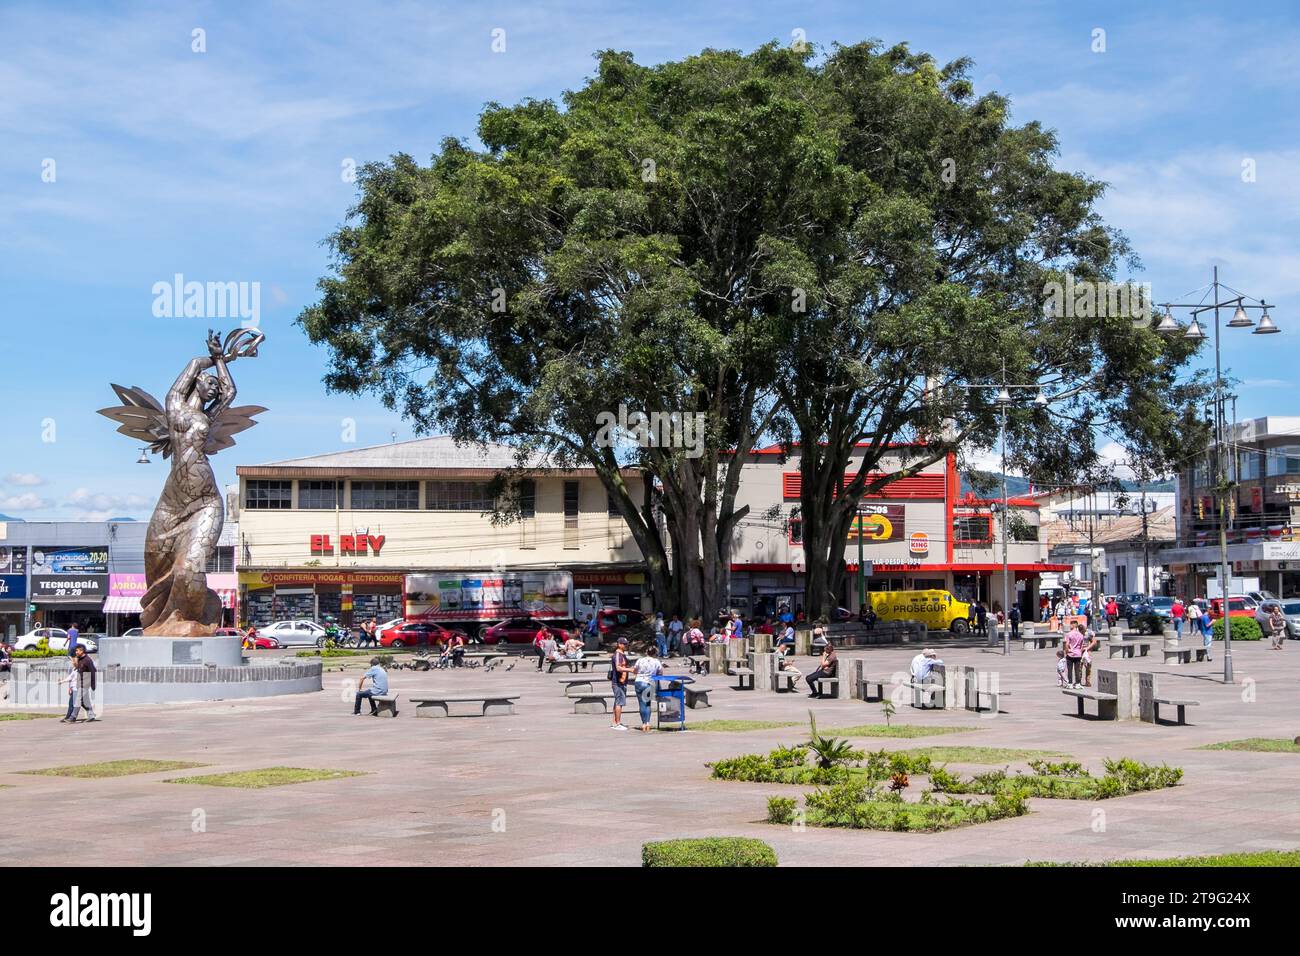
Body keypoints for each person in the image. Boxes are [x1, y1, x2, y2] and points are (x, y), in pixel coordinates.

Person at [632, 649, 663, 733]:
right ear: (655, 653)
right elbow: (660, 672)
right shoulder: (656, 661)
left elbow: (635, 671)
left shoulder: (640, 660)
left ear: (646, 652)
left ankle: (643, 724)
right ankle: (648, 723)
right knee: (647, 704)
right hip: (650, 682)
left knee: (641, 703)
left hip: (639, 682)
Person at [67, 645, 97, 723]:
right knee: (84, 701)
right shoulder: (80, 659)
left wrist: (93, 684)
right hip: (79, 683)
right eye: (76, 651)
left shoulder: (88, 660)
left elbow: (93, 672)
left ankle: (73, 717)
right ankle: (91, 715)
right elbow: (77, 669)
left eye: (77, 651)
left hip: (85, 684)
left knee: (78, 700)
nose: (76, 652)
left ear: (82, 651)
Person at [609, 637, 634, 730]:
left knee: (617, 702)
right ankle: (617, 723)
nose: (626, 645)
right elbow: (618, 668)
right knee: (619, 702)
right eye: (624, 644)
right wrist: (631, 670)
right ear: (619, 644)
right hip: (618, 682)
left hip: (621, 681)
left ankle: (614, 722)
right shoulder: (618, 654)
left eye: (626, 644)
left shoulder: (622, 654)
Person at [1063, 622, 1086, 688]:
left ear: (1073, 625)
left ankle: (1070, 683)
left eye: (1070, 624)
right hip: (1078, 654)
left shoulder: (1069, 634)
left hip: (1070, 653)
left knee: (1070, 669)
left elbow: (1067, 644)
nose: (1069, 626)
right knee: (1077, 669)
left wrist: (1067, 651)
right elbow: (1081, 646)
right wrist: (1080, 652)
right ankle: (1078, 683)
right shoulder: (1081, 635)